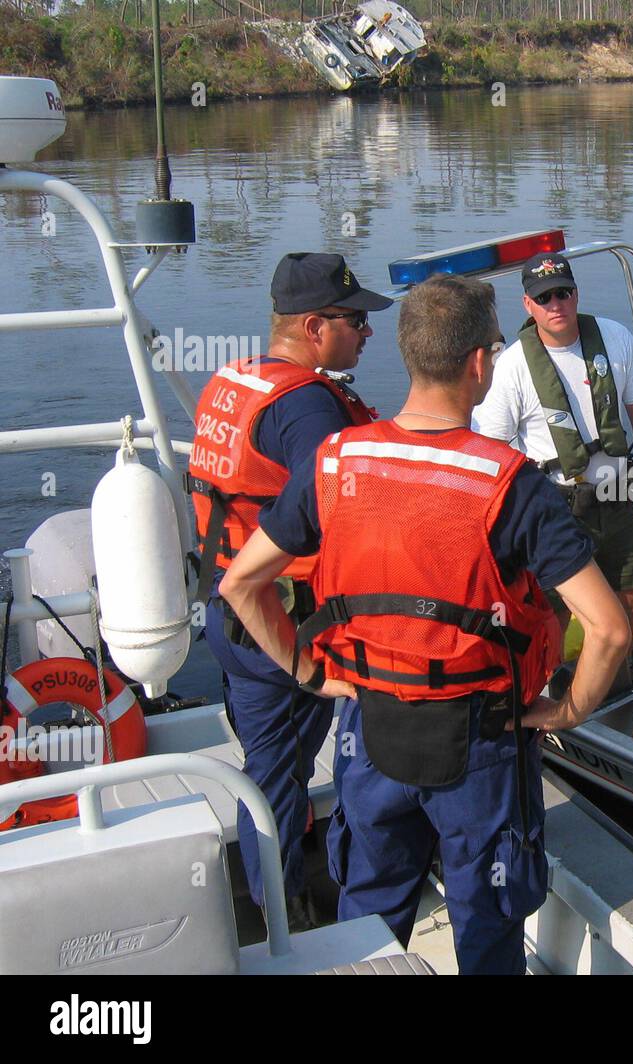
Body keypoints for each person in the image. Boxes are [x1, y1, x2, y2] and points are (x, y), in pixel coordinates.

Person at [219, 274, 632, 975]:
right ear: (480, 363)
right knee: (487, 924)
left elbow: (240, 583)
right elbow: (611, 629)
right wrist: (566, 711)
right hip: (483, 745)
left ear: (409, 354)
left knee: (368, 920)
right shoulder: (513, 485)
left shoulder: (334, 462)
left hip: (369, 732)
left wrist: (310, 674)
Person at [188, 252, 392, 930]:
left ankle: (277, 906)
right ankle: (322, 913)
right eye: (355, 320)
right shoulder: (305, 406)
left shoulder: (236, 380)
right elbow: (340, 506)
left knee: (268, 773)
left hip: (231, 614)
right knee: (338, 766)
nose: (367, 332)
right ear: (314, 326)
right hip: (289, 626)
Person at [474, 252, 633, 708]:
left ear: (576, 294)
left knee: (631, 600)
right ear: (528, 304)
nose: (555, 304)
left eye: (563, 293)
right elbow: (491, 451)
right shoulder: (512, 366)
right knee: (552, 614)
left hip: (616, 496)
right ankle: (547, 702)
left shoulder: (614, 338)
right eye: (544, 298)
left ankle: (617, 690)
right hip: (554, 506)